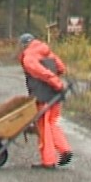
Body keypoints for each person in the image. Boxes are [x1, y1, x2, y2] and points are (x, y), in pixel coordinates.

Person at [18, 33, 73, 169]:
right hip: (55, 94)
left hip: (43, 96)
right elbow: (60, 67)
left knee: (43, 127)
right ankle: (64, 149)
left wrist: (55, 83)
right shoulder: (46, 51)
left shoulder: (29, 56)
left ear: (24, 44)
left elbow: (41, 72)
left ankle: (48, 161)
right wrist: (57, 83)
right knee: (52, 123)